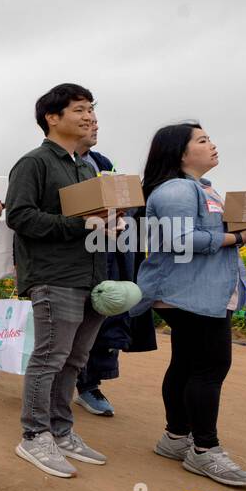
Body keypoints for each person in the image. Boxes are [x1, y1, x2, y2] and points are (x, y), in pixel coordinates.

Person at [132, 122, 246, 487]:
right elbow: (181, 239)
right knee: (210, 366)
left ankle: (176, 438)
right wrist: (241, 235)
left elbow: (204, 235)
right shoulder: (178, 188)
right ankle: (204, 450)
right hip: (189, 292)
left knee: (187, 363)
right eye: (203, 140)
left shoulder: (201, 188)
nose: (213, 145)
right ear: (180, 152)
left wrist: (244, 235)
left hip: (196, 291)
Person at [5, 83, 110, 478]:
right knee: (50, 357)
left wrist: (107, 225)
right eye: (80, 109)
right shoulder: (34, 163)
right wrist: (79, 224)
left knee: (74, 360)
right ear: (53, 117)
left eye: (90, 110)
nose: (88, 117)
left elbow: (89, 222)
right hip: (53, 276)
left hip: (89, 276)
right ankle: (34, 435)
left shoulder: (86, 166)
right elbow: (19, 216)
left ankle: (62, 431)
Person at [71, 120, 156, 416]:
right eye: (83, 116)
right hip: (71, 257)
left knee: (105, 320)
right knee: (66, 325)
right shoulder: (51, 163)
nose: (93, 125)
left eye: (94, 119)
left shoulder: (102, 163)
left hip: (108, 252)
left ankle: (90, 385)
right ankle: (49, 388)